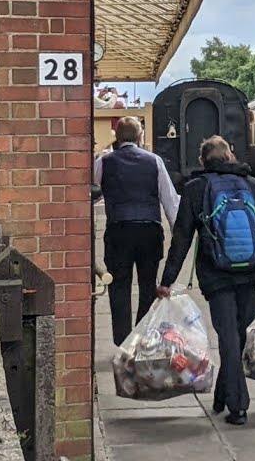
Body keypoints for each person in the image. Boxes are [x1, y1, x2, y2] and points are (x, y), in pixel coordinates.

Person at [158, 135, 255, 426]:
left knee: (229, 339)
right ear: (230, 156)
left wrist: (167, 280)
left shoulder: (196, 188)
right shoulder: (252, 184)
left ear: (202, 160)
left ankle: (237, 405)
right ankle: (226, 397)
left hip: (216, 275)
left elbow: (181, 238)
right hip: (250, 273)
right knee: (238, 337)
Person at [93, 116, 181, 345]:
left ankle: (123, 341)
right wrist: (179, 234)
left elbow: (91, 189)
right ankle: (143, 338)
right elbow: (170, 201)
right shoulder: (155, 161)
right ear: (140, 135)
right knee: (147, 285)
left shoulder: (104, 162)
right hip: (149, 231)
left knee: (119, 287)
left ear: (117, 136)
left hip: (118, 231)